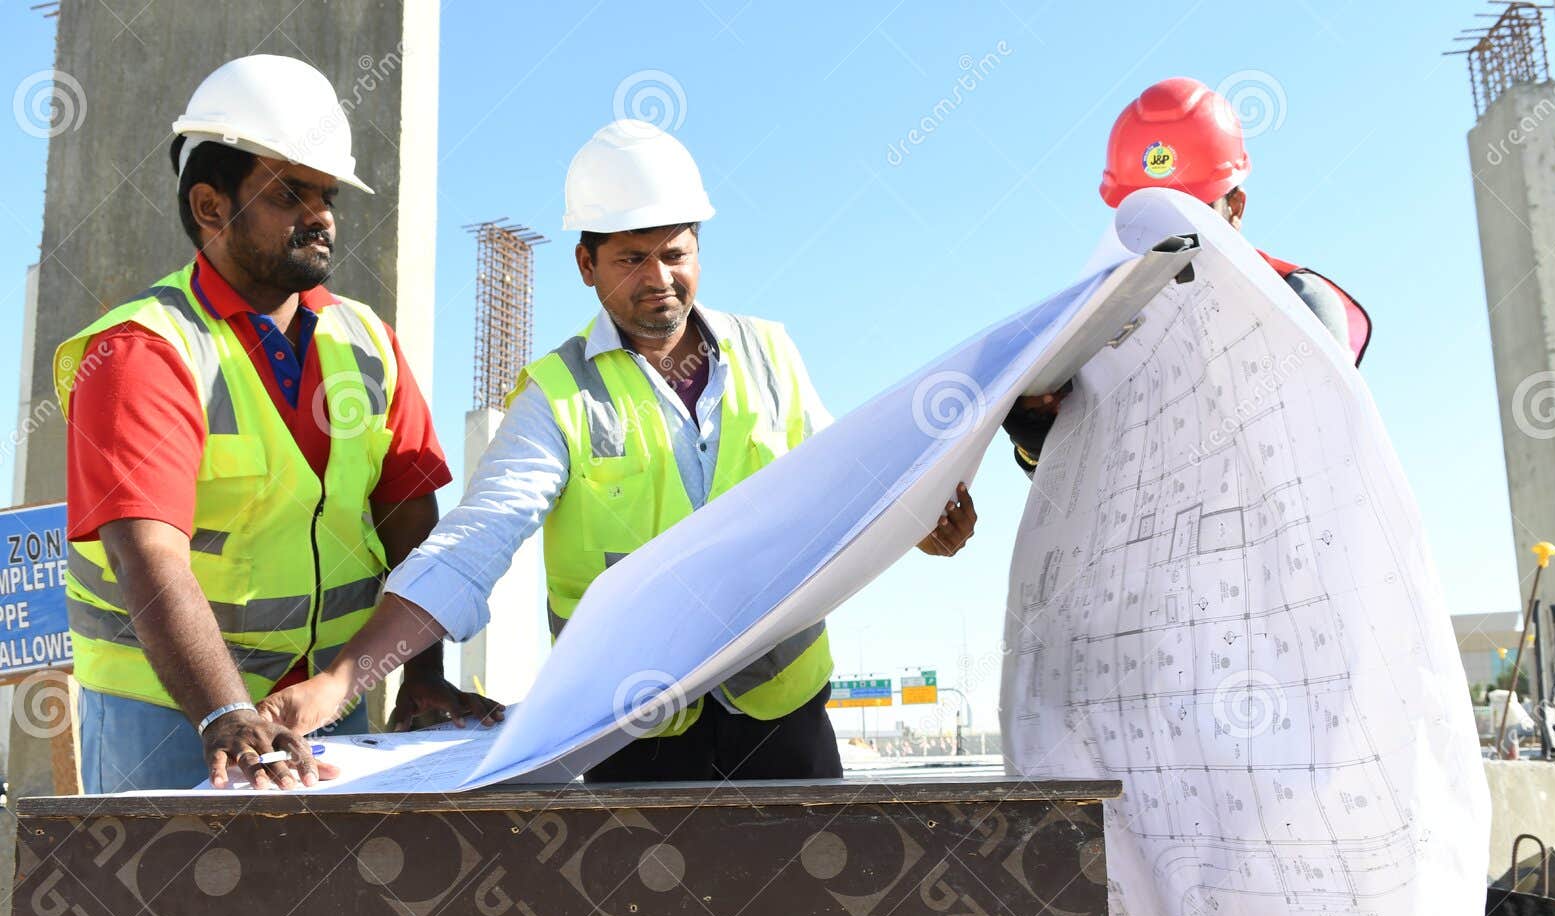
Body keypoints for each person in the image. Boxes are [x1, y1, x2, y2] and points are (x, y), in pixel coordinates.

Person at [260, 120, 977, 783]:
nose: (659, 278)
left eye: (675, 252)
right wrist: (339, 683)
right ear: (585, 263)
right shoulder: (555, 395)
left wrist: (919, 519)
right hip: (633, 735)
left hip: (783, 719)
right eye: (632, 258)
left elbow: (850, 484)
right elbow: (472, 547)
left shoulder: (771, 353)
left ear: (700, 245)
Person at [55, 55, 494, 794]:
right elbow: (151, 560)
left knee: (326, 908)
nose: (320, 216)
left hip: (323, 706)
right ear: (210, 206)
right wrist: (225, 712)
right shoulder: (144, 350)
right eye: (291, 192)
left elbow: (410, 522)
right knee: (171, 907)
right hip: (166, 713)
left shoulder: (368, 343)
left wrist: (420, 673)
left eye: (326, 194)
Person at [1004, 76, 1371, 474]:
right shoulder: (1093, 334)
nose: (1170, 239)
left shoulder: (1299, 301)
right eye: (1149, 216)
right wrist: (1038, 446)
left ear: (1236, 207)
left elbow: (1316, 467)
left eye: (1192, 213)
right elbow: (1087, 502)